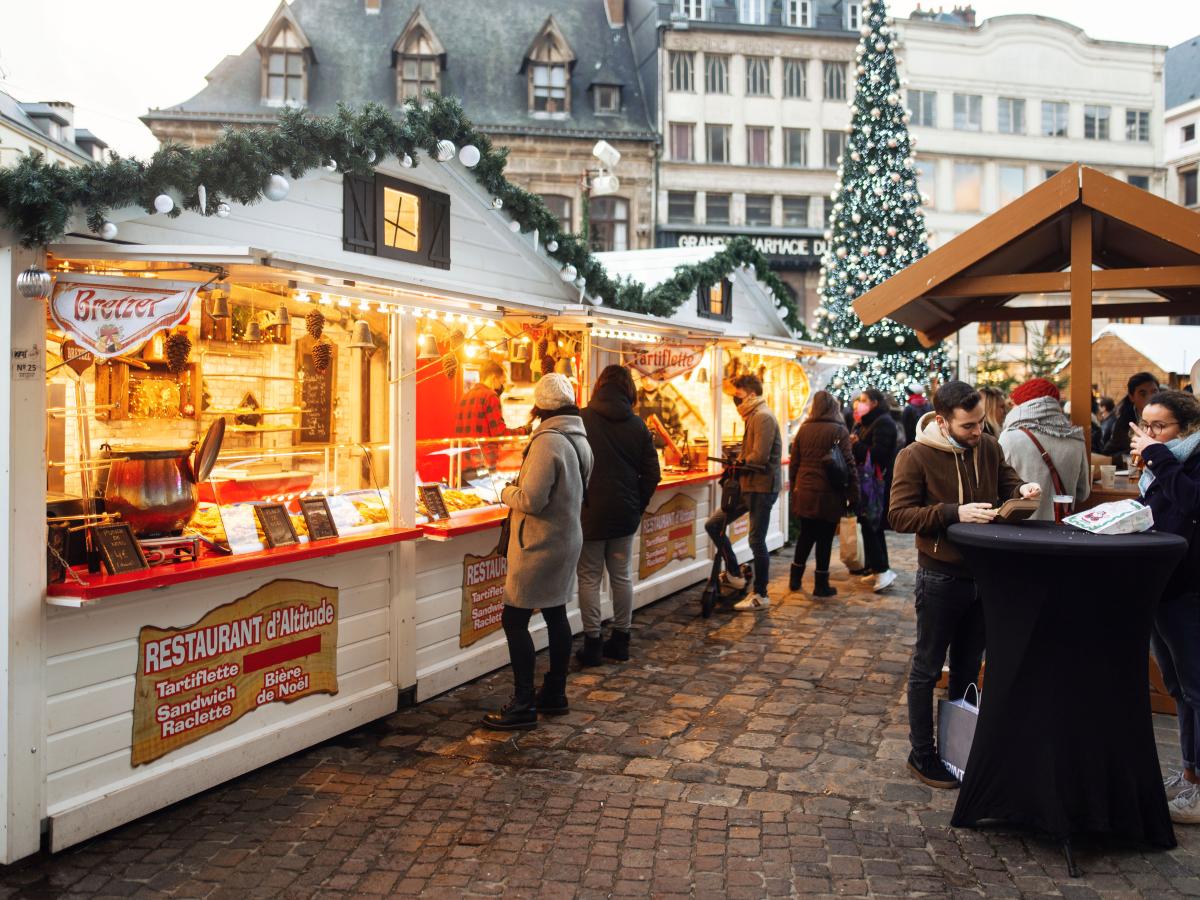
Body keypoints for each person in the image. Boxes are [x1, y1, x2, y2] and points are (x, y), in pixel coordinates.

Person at [890, 380, 1041, 788]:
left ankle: (958, 750)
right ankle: (922, 754)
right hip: (940, 576)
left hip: (986, 575)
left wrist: (1023, 491)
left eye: (980, 423)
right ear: (942, 421)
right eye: (968, 426)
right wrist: (954, 512)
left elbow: (1008, 484)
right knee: (926, 669)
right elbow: (899, 516)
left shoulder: (988, 446)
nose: (978, 432)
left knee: (969, 669)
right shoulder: (914, 455)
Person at [482, 374, 593, 730]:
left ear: (540, 407)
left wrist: (505, 492)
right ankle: (555, 694)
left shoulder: (547, 442)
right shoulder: (580, 438)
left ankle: (523, 703)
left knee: (513, 620)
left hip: (540, 544)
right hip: (566, 538)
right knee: (556, 613)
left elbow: (531, 499)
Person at [1130, 390, 1200, 823]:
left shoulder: (1184, 458)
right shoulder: (1167, 458)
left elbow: (1191, 502)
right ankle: (1191, 773)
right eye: (1145, 425)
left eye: (1159, 426)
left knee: (1197, 687)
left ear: (1187, 427)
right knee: (1176, 686)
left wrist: (1158, 455)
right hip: (1159, 582)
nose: (1150, 433)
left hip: (1188, 587)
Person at [577, 365, 661, 667]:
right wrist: (636, 504)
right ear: (629, 391)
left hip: (589, 514)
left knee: (588, 577)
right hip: (624, 514)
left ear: (599, 386)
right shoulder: (637, 425)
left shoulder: (582, 420)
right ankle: (622, 639)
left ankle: (593, 643)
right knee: (621, 577)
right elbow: (653, 473)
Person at [704, 374, 782, 611]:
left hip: (761, 488)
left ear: (750, 395)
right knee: (713, 525)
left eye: (738, 396)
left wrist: (738, 461)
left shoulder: (763, 417)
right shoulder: (753, 416)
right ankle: (735, 573)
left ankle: (761, 594)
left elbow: (759, 457)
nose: (735, 401)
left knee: (756, 541)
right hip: (747, 486)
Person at [788, 390, 859, 597]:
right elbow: (849, 463)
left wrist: (795, 486)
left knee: (805, 535)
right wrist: (854, 494)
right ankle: (821, 584)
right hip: (830, 492)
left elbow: (794, 462)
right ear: (833, 407)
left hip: (805, 490)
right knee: (825, 538)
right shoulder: (838, 429)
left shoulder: (804, 428)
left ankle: (795, 578)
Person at [997, 377, 1090, 522]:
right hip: (1061, 528)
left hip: (1018, 531)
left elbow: (996, 489)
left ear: (1023, 405)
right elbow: (1083, 493)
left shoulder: (1010, 438)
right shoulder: (1076, 438)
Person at [851, 389, 899, 592]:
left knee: (872, 526)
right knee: (870, 526)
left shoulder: (884, 423)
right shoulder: (866, 421)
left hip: (876, 485)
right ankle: (877, 567)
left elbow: (878, 454)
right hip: (866, 483)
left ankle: (882, 570)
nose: (859, 404)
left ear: (875, 403)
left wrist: (857, 444)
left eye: (864, 401)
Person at [454, 360, 530, 467]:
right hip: (483, 463)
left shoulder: (464, 397)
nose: (502, 387)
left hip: (463, 462)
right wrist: (524, 431)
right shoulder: (490, 396)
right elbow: (500, 435)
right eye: (501, 382)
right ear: (493, 378)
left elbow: (458, 434)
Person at [1100, 372, 1160, 463]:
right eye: (1142, 394)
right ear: (1131, 397)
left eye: (1154, 392)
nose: (1150, 398)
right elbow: (1108, 454)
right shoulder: (1124, 422)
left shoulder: (1170, 418)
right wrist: (1130, 456)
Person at [636, 378, 685, 449]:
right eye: (645, 378)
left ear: (659, 380)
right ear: (641, 379)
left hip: (662, 452)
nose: (648, 382)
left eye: (652, 378)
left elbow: (678, 429)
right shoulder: (632, 401)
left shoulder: (669, 402)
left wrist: (671, 445)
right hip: (638, 452)